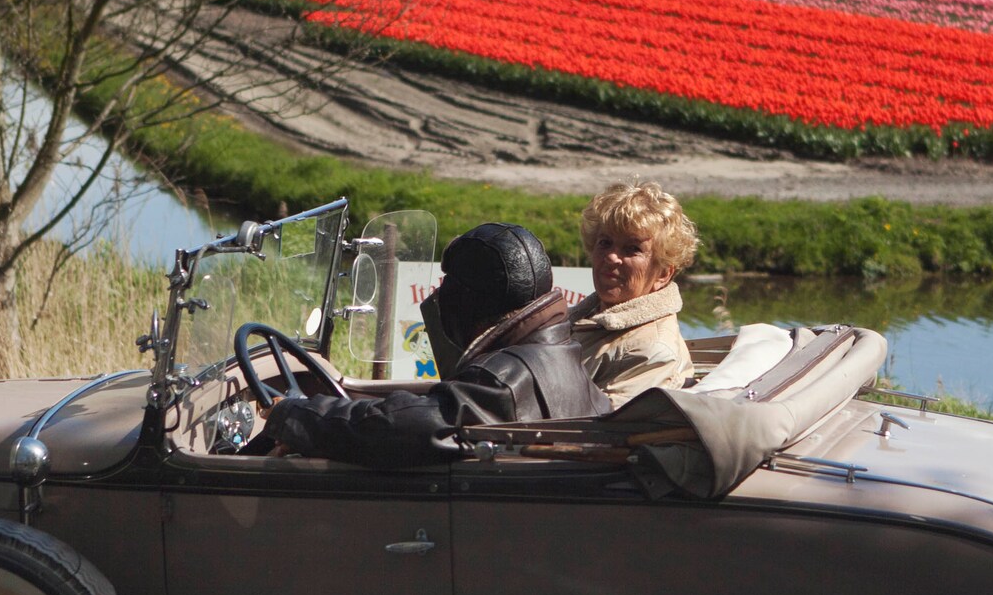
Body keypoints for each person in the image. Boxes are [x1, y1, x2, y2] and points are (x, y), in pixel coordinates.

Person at [255, 223, 606, 468]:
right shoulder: (563, 356)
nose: (441, 295)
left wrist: (293, 414)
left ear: (468, 301)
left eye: (449, 284)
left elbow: (408, 426)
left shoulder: (503, 378)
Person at [569, 181, 696, 402]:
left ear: (663, 274)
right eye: (605, 243)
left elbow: (600, 427)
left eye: (632, 249)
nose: (611, 257)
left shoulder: (652, 352)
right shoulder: (582, 317)